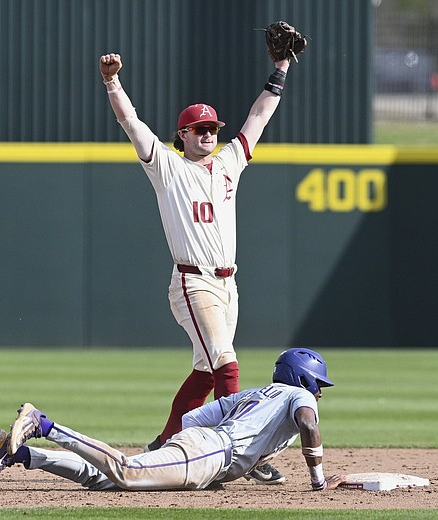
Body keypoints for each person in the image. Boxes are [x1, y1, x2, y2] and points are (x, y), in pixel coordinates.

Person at [96, 37, 294, 484]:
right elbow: (131, 123)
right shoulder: (167, 167)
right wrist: (112, 83)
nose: (208, 133)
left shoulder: (229, 162)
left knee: (206, 371)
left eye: (212, 128)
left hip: (228, 284)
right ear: (182, 134)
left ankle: (164, 445)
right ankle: (243, 452)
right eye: (199, 128)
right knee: (227, 363)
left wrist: (280, 67)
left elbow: (259, 115)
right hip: (193, 283)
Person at [0, 348, 345, 493]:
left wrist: (194, 452)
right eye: (319, 384)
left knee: (106, 481)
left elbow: (193, 417)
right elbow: (309, 424)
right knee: (126, 470)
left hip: (207, 451)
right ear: (303, 378)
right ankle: (43, 425)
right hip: (213, 452)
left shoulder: (253, 394)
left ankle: (19, 456)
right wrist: (319, 480)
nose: (320, 392)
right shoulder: (296, 395)